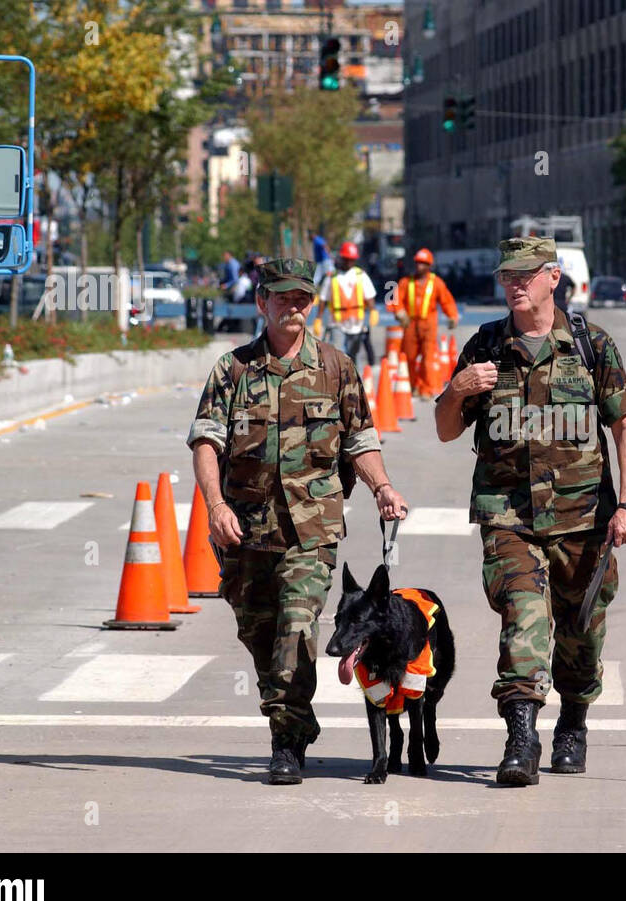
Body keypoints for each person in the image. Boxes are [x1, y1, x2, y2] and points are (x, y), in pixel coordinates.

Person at [187, 257, 409, 785]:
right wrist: (216, 507)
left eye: (302, 299)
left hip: (312, 532)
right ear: (262, 302)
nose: (294, 306)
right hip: (244, 532)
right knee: (259, 633)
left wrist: (382, 487)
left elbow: (360, 439)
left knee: (296, 628)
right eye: (283, 297)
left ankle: (285, 742)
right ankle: (296, 717)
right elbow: (205, 441)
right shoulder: (233, 370)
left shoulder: (335, 367)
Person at [433, 237, 626, 787]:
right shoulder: (484, 347)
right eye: (507, 276)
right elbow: (446, 430)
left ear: (554, 276)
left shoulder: (591, 345)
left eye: (526, 274)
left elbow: (625, 426)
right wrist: (455, 392)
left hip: (585, 520)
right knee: (522, 618)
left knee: (582, 632)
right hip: (509, 517)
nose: (515, 284)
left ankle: (572, 722)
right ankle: (521, 737)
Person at [390, 247, 459, 400]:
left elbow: (447, 301)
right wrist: (400, 312)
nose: (419, 266)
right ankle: (413, 385)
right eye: (417, 263)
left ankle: (426, 389)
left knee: (428, 358)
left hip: (428, 324)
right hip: (410, 324)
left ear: (429, 266)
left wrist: (452, 316)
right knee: (409, 356)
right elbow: (394, 299)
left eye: (423, 263)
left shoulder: (437, 283)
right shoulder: (406, 282)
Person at [325, 241, 379, 366]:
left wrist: (373, 311)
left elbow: (369, 296)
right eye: (347, 259)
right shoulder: (333, 277)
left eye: (351, 259)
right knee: (338, 355)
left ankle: (355, 382)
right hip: (337, 323)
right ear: (342, 258)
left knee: (354, 356)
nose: (349, 262)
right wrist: (318, 318)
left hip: (356, 324)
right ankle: (339, 383)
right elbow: (323, 298)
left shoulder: (360, 275)